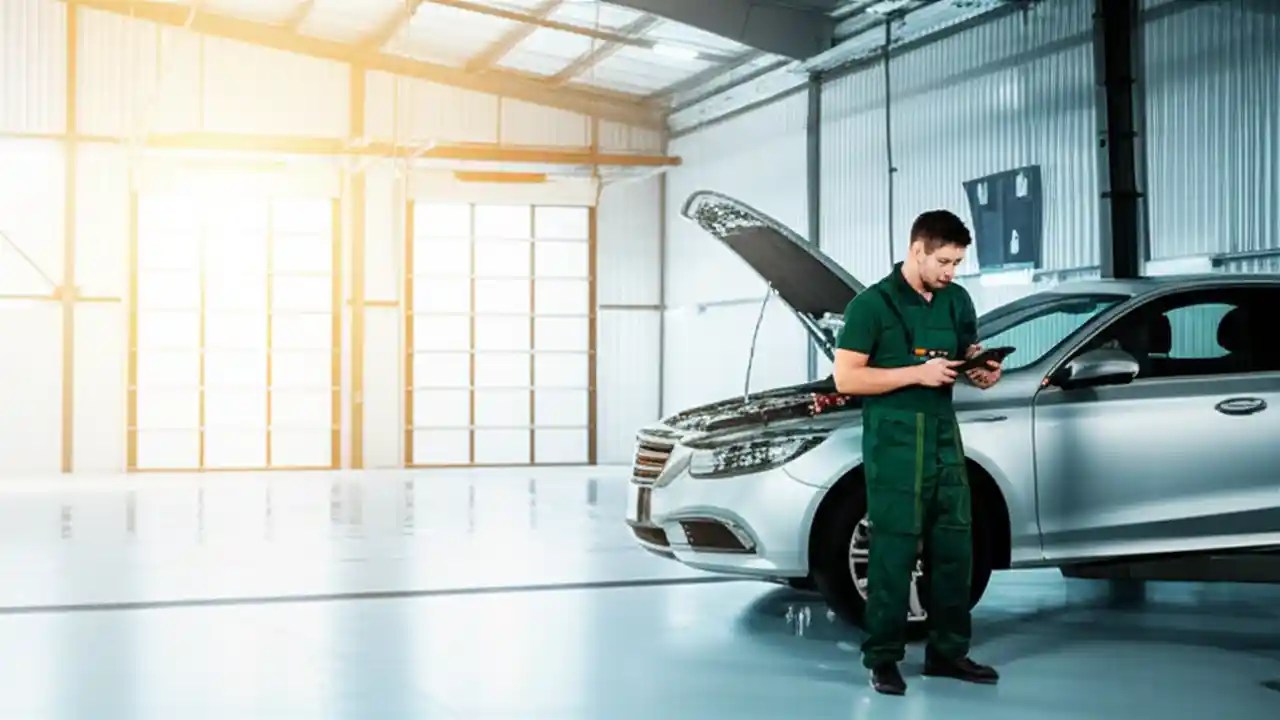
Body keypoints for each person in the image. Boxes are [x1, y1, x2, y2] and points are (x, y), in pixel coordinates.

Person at [832, 209, 1003, 696]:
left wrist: (983, 371)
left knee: (955, 548)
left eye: (958, 262)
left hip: (945, 439)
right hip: (896, 442)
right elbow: (847, 378)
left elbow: (969, 351)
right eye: (944, 261)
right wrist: (915, 374)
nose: (951, 272)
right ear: (917, 251)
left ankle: (949, 653)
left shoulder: (956, 301)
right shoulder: (871, 306)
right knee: (893, 550)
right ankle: (883, 657)